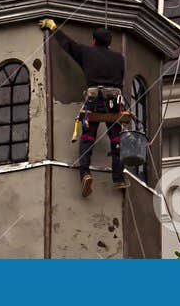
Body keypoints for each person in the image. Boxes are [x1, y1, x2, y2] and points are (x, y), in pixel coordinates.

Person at [39, 19, 125, 197]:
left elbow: (68, 46)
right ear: (109, 43)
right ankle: (118, 178)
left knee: (87, 137)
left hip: (94, 100)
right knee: (117, 139)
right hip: (114, 102)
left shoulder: (87, 53)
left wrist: (53, 27)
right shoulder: (119, 59)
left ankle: (85, 173)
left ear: (94, 41)